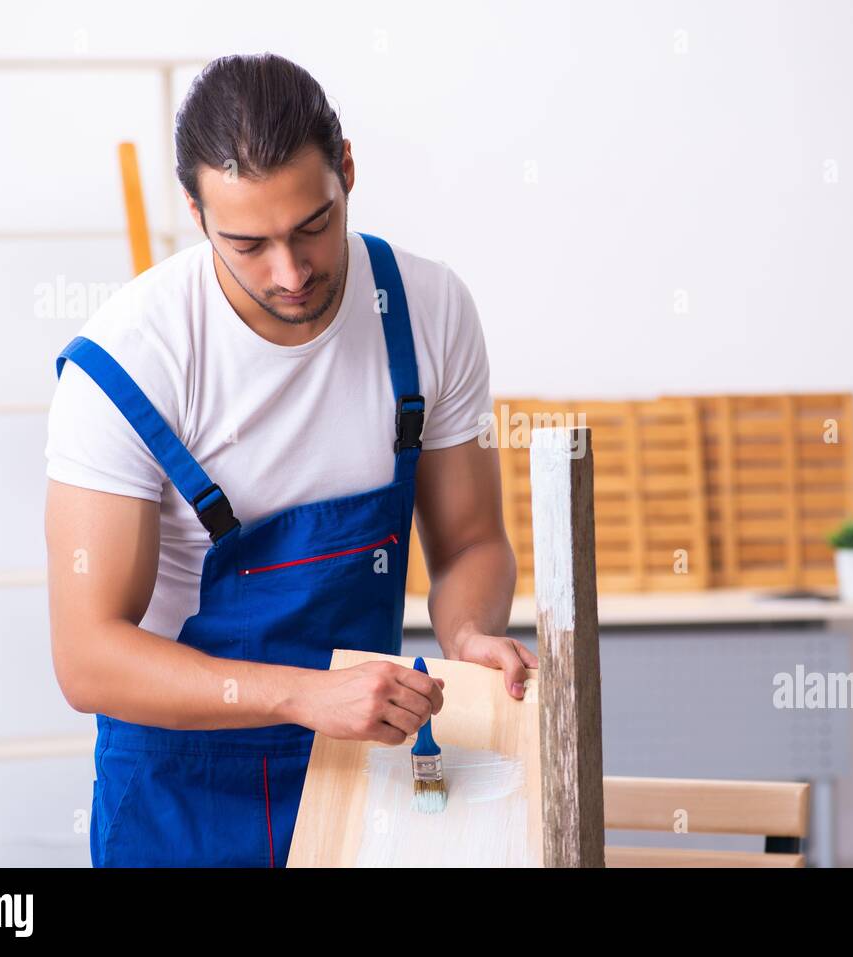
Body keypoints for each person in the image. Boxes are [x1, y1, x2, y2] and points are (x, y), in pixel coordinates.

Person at [43, 52, 535, 867]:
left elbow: (473, 541)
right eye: (249, 243)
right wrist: (306, 696)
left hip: (362, 773)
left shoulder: (426, 311)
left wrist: (471, 631)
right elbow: (87, 656)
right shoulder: (130, 363)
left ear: (346, 169)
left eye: (313, 225)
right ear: (197, 213)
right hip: (179, 796)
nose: (291, 271)